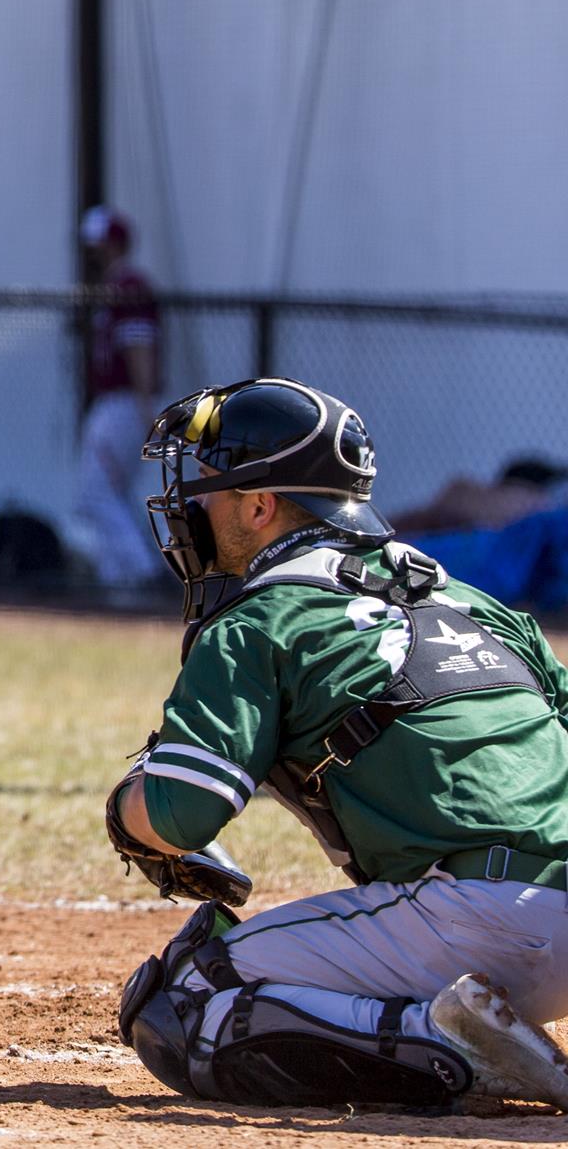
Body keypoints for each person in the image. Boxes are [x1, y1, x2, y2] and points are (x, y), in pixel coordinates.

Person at [104, 377, 568, 1110]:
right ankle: (464, 1024)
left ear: (259, 505)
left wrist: (126, 810)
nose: (191, 508)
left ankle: (450, 1039)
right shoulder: (473, 600)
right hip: (536, 901)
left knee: (185, 999)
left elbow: (181, 810)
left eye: (209, 490)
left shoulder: (260, 619)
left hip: (483, 920)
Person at [73, 205, 164, 587]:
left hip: (125, 402)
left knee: (95, 491)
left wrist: (144, 404)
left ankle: (142, 571)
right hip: (117, 402)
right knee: (109, 491)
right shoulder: (114, 287)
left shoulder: (130, 287)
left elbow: (139, 346)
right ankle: (117, 576)